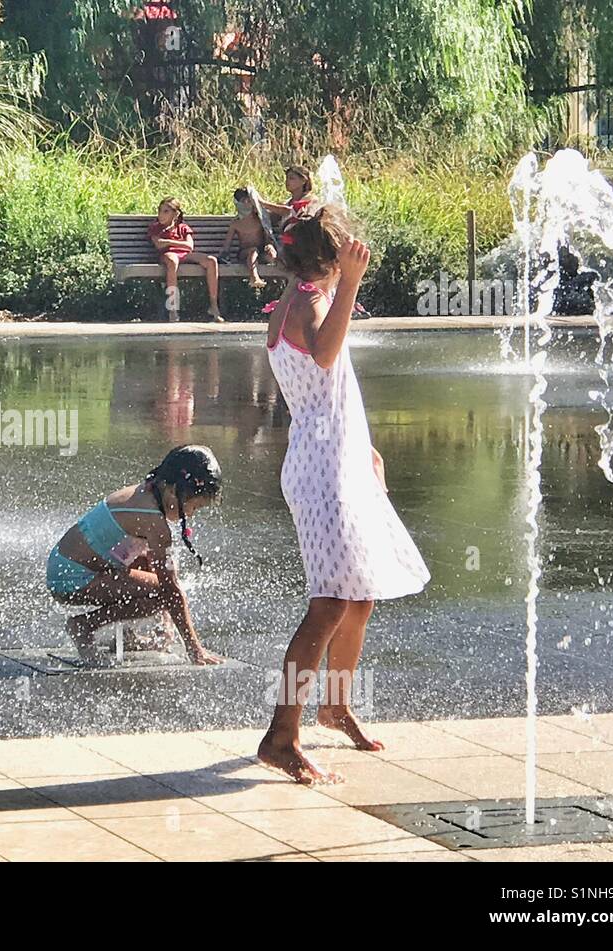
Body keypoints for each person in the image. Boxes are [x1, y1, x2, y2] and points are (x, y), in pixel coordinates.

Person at [258, 205, 430, 785]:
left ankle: (334, 706)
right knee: (330, 603)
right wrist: (352, 284)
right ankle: (281, 735)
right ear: (330, 260)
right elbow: (327, 357)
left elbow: (332, 387)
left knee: (359, 598)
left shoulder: (300, 297)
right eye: (347, 254)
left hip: (336, 459)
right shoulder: (310, 303)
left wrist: (368, 448)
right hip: (323, 473)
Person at [46, 445, 224, 667]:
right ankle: (84, 625)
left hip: (63, 567)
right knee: (162, 594)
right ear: (173, 491)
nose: (189, 514)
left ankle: (128, 637)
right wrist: (194, 649)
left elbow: (154, 564)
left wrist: (166, 626)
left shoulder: (144, 493)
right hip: (72, 579)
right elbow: (171, 589)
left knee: (148, 563)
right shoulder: (154, 523)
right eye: (192, 507)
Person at [147, 198, 223, 322]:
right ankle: (173, 308)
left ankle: (214, 306)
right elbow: (159, 245)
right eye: (160, 211)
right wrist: (177, 243)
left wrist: (168, 241)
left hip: (185, 254)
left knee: (212, 261)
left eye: (166, 211)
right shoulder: (156, 228)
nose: (161, 215)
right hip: (168, 255)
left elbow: (189, 246)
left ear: (175, 214)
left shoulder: (182, 227)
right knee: (172, 261)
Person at [219, 188, 277, 289]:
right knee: (252, 251)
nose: (246, 203)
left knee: (271, 255)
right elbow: (227, 245)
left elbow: (268, 237)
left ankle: (275, 288)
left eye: (248, 200)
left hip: (261, 251)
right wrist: (224, 255)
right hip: (244, 253)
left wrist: (270, 245)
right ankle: (254, 277)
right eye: (243, 201)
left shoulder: (260, 220)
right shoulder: (235, 224)